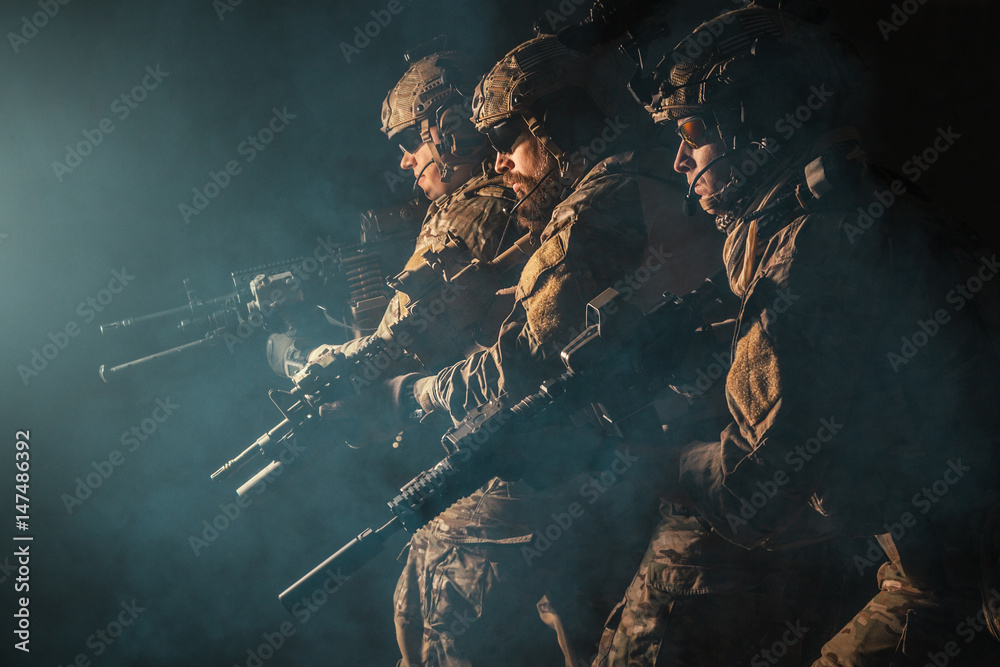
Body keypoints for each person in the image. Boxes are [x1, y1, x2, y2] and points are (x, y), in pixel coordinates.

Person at [605, 3, 1000, 665]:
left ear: (755, 120)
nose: (679, 159)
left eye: (693, 130)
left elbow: (758, 490)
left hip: (954, 576)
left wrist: (652, 463)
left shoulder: (809, 245)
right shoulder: (849, 200)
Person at [349, 35, 721, 666]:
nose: (496, 162)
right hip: (674, 464)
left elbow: (521, 364)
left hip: (693, 473)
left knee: (439, 613)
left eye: (504, 141)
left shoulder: (592, 206)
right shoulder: (639, 174)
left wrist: (408, 393)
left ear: (560, 129)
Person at [265, 49, 514, 379]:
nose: (406, 161)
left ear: (455, 127)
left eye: (413, 142)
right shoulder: (491, 193)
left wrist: (302, 354)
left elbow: (387, 351)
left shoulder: (471, 214)